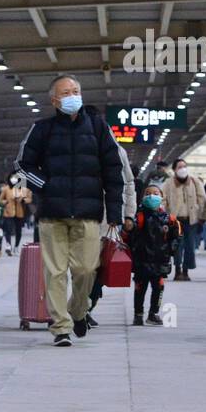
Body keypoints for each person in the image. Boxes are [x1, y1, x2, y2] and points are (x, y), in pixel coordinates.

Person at [15, 76, 125, 346]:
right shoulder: (42, 129)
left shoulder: (99, 128)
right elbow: (23, 165)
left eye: (76, 90)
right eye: (66, 92)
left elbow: (114, 171)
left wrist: (115, 214)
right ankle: (60, 327)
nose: (72, 95)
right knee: (55, 272)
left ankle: (78, 311)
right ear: (54, 100)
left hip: (88, 213)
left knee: (86, 270)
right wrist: (46, 186)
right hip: (52, 214)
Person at [84, 141, 137, 329]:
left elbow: (128, 183)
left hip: (107, 220)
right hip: (80, 218)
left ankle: (86, 308)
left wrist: (129, 213)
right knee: (81, 269)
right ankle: (78, 307)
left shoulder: (116, 150)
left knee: (100, 268)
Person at [126, 183, 181, 326]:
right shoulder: (138, 218)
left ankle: (153, 313)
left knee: (159, 287)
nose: (152, 196)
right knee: (140, 287)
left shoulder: (169, 219)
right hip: (141, 260)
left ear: (162, 197)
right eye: (148, 193)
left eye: (156, 193)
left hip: (160, 260)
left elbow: (176, 237)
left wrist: (171, 249)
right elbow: (129, 235)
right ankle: (138, 314)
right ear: (142, 198)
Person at [163, 158, 205, 280]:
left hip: (191, 219)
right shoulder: (168, 183)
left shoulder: (194, 181)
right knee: (177, 246)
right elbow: (163, 199)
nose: (183, 169)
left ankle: (186, 271)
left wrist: (202, 216)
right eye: (179, 167)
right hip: (175, 220)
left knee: (190, 246)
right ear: (174, 169)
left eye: (184, 166)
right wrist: (165, 214)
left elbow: (202, 198)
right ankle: (177, 270)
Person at [0, 174, 32, 256]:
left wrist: (23, 200)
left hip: (20, 212)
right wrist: (5, 202)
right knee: (8, 230)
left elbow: (29, 199)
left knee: (18, 231)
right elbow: (0, 200)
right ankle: (8, 246)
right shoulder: (6, 189)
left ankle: (16, 247)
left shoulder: (25, 189)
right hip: (9, 212)